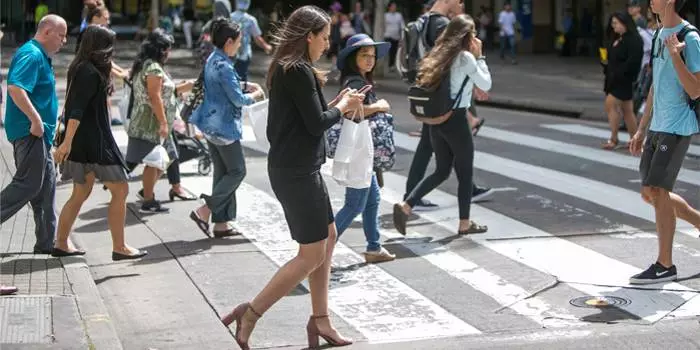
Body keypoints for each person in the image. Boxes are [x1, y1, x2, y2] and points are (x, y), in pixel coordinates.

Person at [220, 6, 363, 349]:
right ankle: (251, 313)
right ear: (308, 36)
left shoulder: (292, 68)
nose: (328, 43)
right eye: (325, 36)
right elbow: (317, 123)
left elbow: (308, 117)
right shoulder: (296, 70)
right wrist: (343, 108)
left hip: (298, 167)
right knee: (311, 254)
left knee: (327, 240)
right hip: (296, 171)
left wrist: (339, 102)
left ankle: (320, 321)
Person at [53, 25, 147, 261]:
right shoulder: (89, 72)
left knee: (80, 192)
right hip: (94, 141)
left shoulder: (84, 67)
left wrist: (68, 143)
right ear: (100, 47)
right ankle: (119, 247)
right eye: (110, 46)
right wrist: (66, 145)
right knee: (120, 189)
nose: (112, 51)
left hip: (87, 140)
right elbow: (77, 111)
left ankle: (61, 242)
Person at [393, 14, 491, 236]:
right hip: (456, 120)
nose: (475, 37)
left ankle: (406, 206)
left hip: (437, 120)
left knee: (442, 170)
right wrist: (481, 56)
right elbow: (486, 83)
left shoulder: (437, 54)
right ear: (467, 36)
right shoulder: (465, 57)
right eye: (473, 33)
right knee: (465, 174)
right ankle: (464, 224)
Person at [628, 0, 700, 284]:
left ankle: (665, 264)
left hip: (678, 125)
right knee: (650, 193)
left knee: (659, 191)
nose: (650, 1)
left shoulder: (689, 38)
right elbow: (657, 85)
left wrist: (676, 57)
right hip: (658, 125)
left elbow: (695, 90)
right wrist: (641, 128)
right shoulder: (659, 33)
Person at [189, 18, 264, 238]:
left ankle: (221, 224)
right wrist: (256, 94)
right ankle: (204, 210)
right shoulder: (224, 65)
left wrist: (243, 84)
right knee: (238, 171)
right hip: (224, 128)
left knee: (222, 174)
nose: (240, 45)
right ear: (229, 41)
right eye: (239, 41)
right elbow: (239, 100)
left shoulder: (213, 59)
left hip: (210, 126)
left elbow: (223, 86)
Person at [1, 15, 67, 254]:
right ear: (47, 31)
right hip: (30, 133)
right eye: (61, 35)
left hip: (39, 135)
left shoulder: (41, 56)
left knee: (46, 190)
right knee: (29, 185)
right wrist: (35, 119)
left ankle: (47, 243)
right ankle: (47, 243)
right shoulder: (32, 54)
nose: (64, 40)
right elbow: (16, 88)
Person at [332, 33, 396, 263]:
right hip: (358, 149)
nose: (370, 59)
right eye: (364, 55)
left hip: (362, 149)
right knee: (354, 204)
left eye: (372, 55)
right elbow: (350, 110)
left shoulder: (359, 80)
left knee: (372, 199)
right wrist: (379, 106)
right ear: (353, 58)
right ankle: (319, 253)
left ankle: (373, 247)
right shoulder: (355, 82)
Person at [125, 29, 195, 213]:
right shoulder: (154, 68)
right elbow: (154, 97)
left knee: (167, 158)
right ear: (161, 50)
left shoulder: (146, 65)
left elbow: (162, 93)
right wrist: (163, 123)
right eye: (168, 49)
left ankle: (146, 192)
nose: (169, 53)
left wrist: (182, 88)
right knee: (155, 161)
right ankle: (148, 200)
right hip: (151, 123)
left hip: (150, 121)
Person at [601, 12, 643, 150]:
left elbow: (633, 61)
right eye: (613, 23)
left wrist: (620, 73)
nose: (614, 26)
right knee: (627, 110)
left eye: (616, 23)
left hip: (623, 78)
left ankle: (614, 139)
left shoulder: (634, 39)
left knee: (610, 105)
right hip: (613, 77)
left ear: (625, 23)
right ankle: (634, 140)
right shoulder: (617, 38)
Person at [230, 0, 273, 81]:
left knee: (231, 77)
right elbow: (257, 38)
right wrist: (266, 47)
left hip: (230, 53)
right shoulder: (250, 20)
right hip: (244, 55)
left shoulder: (229, 17)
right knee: (241, 79)